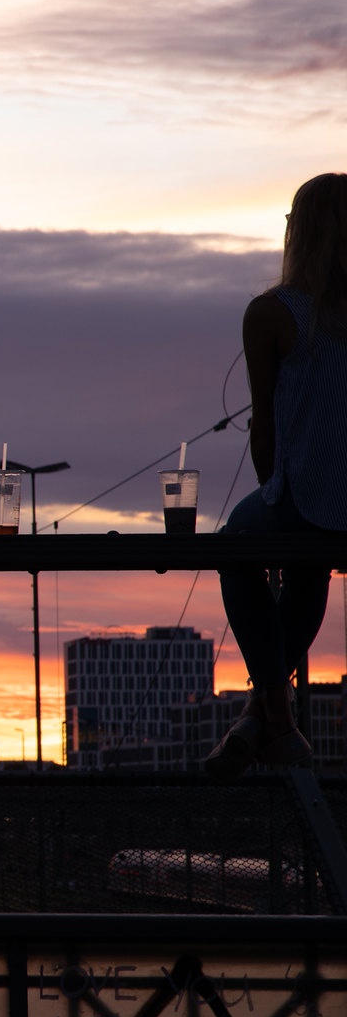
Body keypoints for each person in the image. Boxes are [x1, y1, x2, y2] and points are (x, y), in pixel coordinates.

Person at [206, 173, 347, 776]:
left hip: (302, 496)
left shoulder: (273, 313)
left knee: (238, 544)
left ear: (300, 233)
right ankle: (259, 723)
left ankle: (276, 718)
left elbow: (264, 430)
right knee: (308, 563)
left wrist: (275, 491)